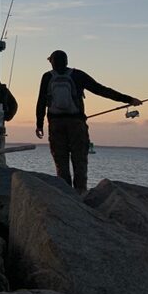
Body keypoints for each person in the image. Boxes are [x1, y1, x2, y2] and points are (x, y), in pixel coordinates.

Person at [36, 50, 142, 193]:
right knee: (79, 161)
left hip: (55, 124)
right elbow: (102, 90)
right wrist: (129, 99)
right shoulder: (78, 75)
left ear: (52, 62)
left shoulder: (47, 77)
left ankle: (65, 194)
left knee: (61, 163)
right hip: (77, 123)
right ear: (66, 61)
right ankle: (81, 194)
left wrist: (39, 124)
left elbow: (41, 101)